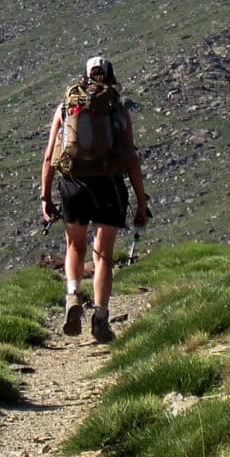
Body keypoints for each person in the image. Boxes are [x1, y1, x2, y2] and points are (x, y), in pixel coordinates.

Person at [40, 55, 150, 343]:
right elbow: (132, 160)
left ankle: (73, 295)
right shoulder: (117, 109)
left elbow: (50, 156)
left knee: (74, 246)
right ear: (110, 76)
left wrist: (45, 196)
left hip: (73, 184)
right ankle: (101, 314)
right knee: (103, 254)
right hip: (110, 185)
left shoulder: (66, 108)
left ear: (85, 76)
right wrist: (141, 202)